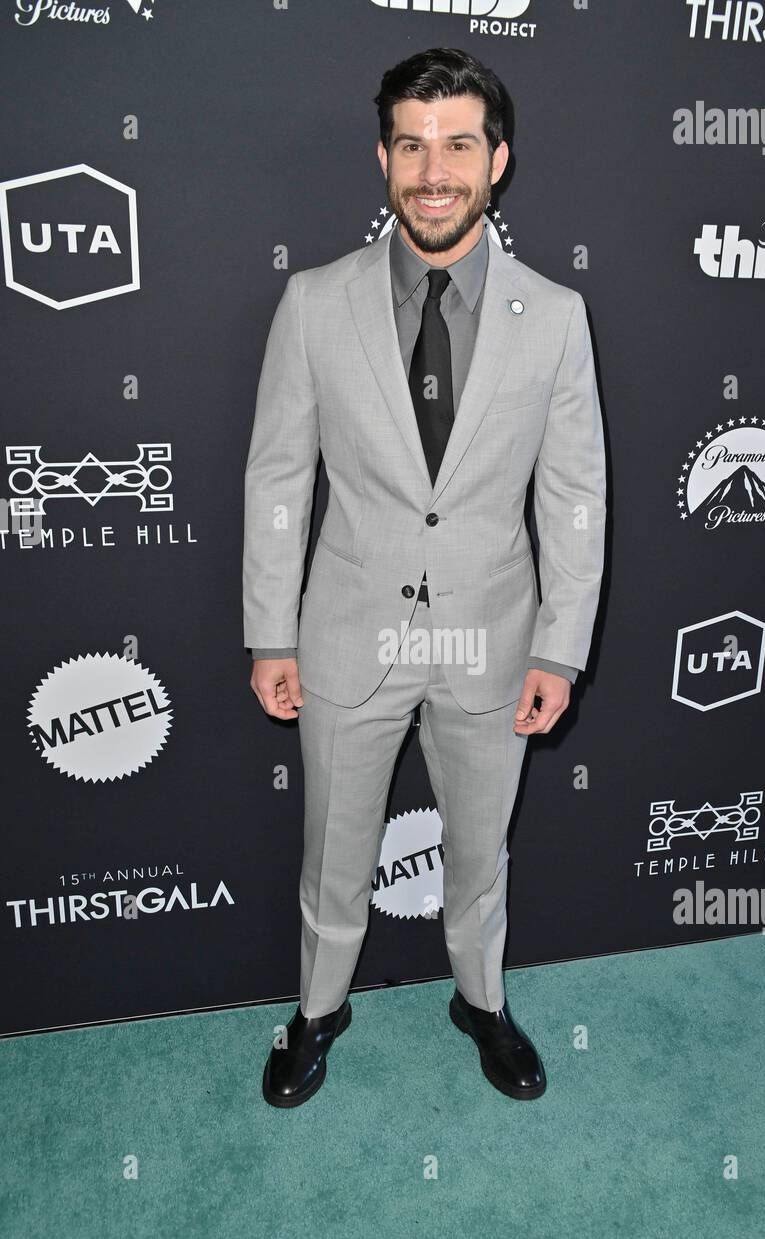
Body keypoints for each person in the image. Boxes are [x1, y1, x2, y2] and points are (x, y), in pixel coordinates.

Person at [243, 47, 606, 1108]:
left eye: (457, 144)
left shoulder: (559, 316)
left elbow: (574, 495)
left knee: (480, 852)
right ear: (383, 158)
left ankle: (480, 1001)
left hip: (494, 642)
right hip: (350, 633)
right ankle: (316, 1011)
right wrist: (271, 632)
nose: (433, 169)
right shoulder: (314, 303)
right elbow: (277, 477)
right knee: (333, 854)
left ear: (498, 159)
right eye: (412, 145)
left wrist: (560, 646)